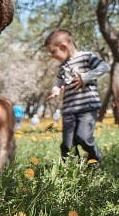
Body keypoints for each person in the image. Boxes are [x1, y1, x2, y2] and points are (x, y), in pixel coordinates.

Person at [45, 29, 109, 164]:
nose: (52, 56)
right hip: (69, 110)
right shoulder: (63, 66)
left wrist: (85, 77)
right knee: (67, 144)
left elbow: (104, 67)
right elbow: (59, 81)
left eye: (53, 52)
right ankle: (72, 168)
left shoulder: (86, 57)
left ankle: (95, 161)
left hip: (87, 108)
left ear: (63, 47)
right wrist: (56, 89)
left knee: (83, 137)